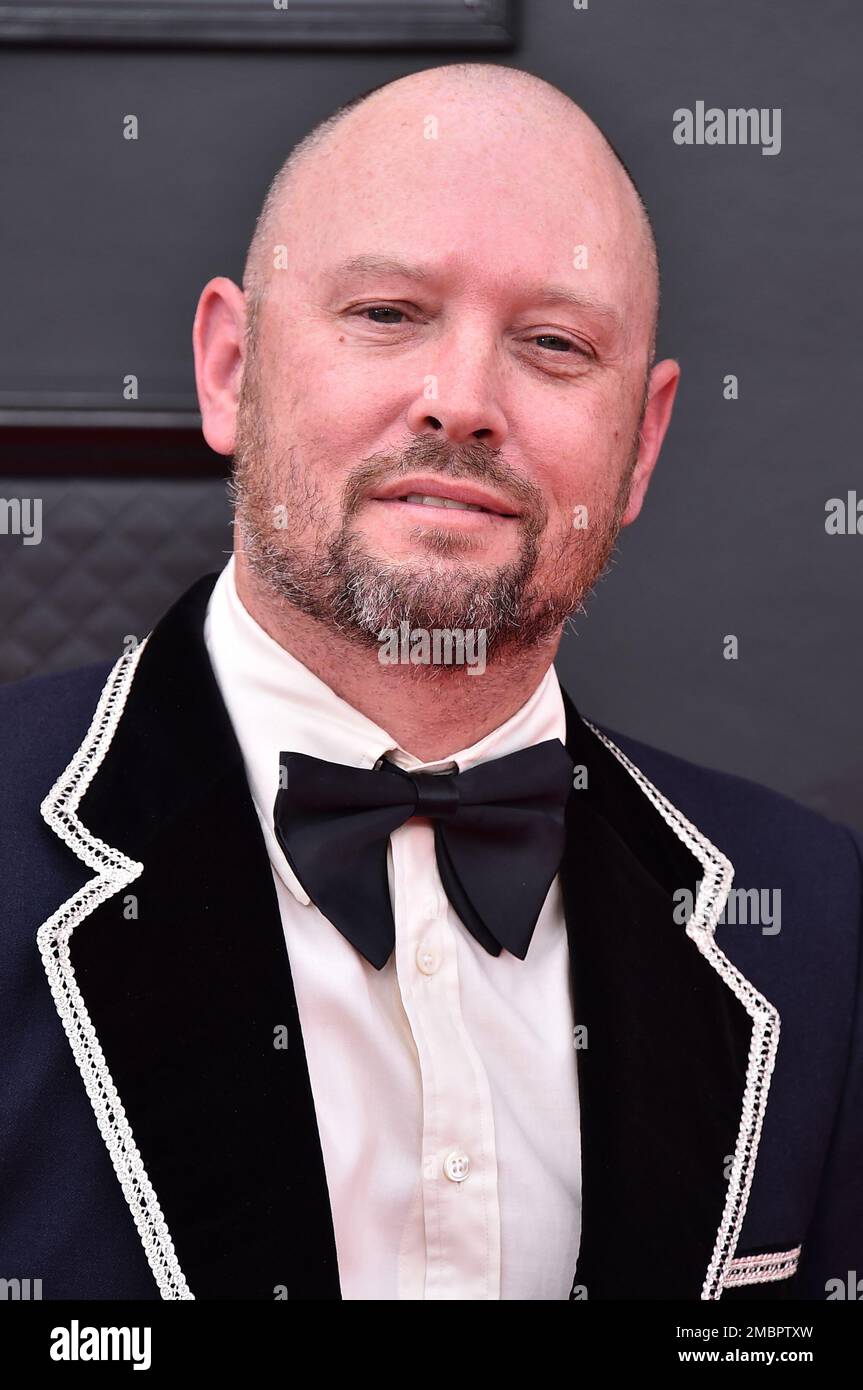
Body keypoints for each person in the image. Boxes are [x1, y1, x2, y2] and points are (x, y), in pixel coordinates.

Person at [1, 62, 861, 1302]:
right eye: (389, 313)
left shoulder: (813, 917)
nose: (460, 403)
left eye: (554, 344)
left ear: (640, 445)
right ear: (230, 367)